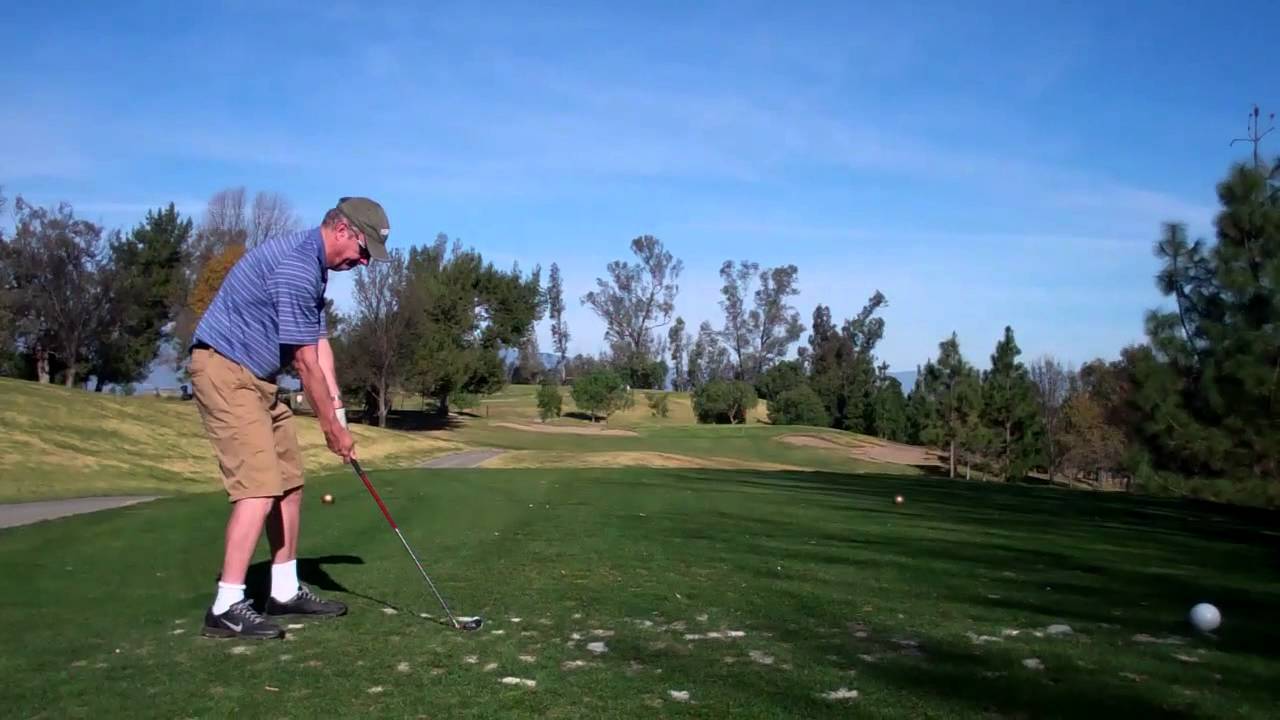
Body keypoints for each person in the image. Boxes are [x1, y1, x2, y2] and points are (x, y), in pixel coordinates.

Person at [189, 196, 390, 639]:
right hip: (224, 369)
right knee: (259, 486)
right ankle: (225, 605)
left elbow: (320, 348)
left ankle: (281, 590)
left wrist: (339, 414)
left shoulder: (314, 270)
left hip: (258, 379)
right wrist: (329, 430)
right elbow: (303, 363)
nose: (363, 262)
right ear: (342, 231)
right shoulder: (298, 266)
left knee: (290, 483)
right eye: (363, 251)